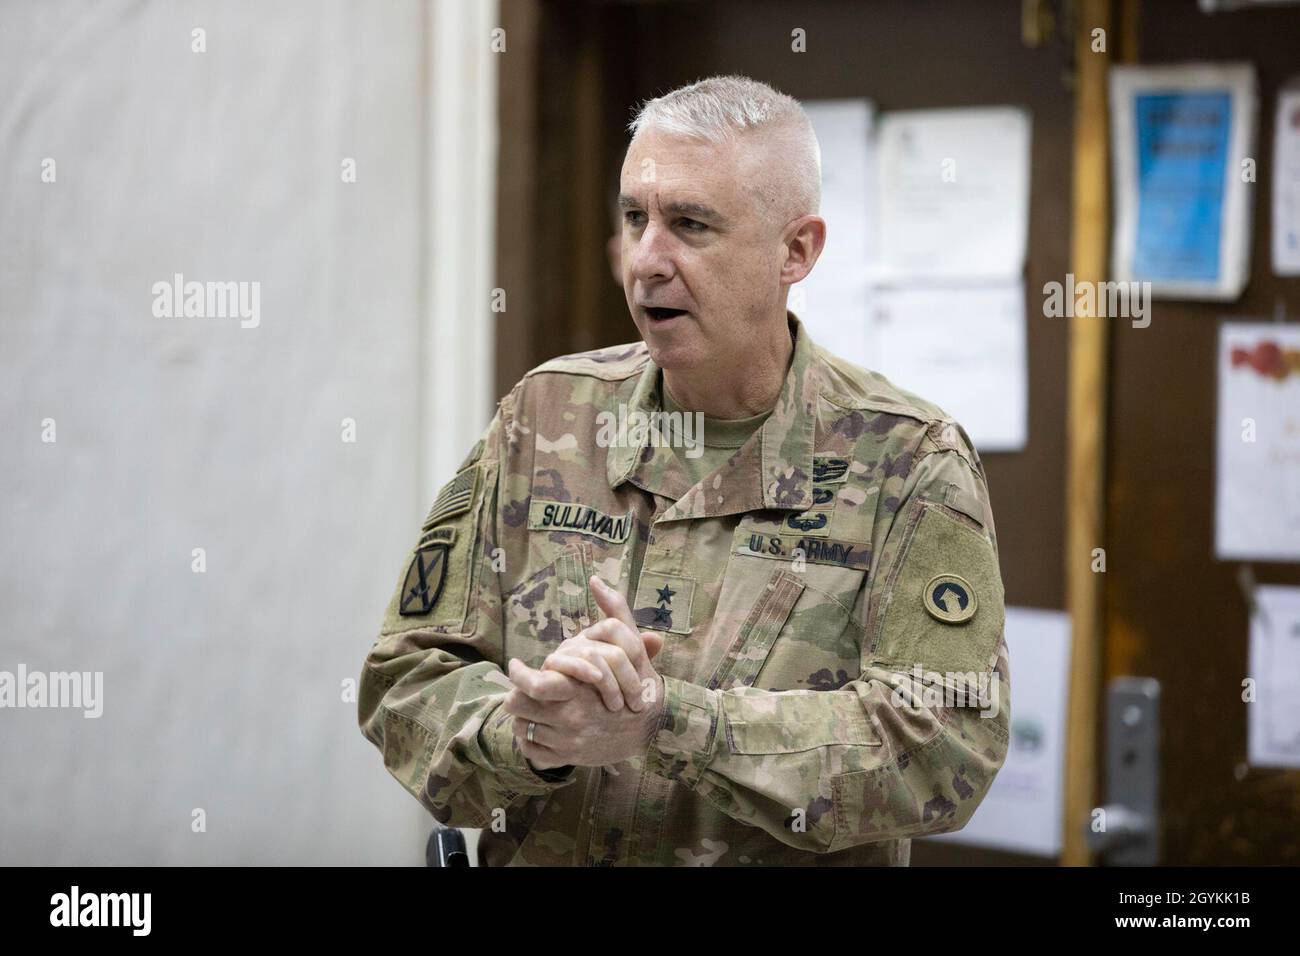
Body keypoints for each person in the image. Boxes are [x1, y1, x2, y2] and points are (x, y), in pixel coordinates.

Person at [358, 74, 1010, 866]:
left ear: (795, 252)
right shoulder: (546, 416)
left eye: (691, 225)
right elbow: (406, 678)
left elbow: (947, 744)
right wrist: (531, 734)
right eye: (635, 219)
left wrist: (671, 723)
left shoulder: (908, 457)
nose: (647, 261)